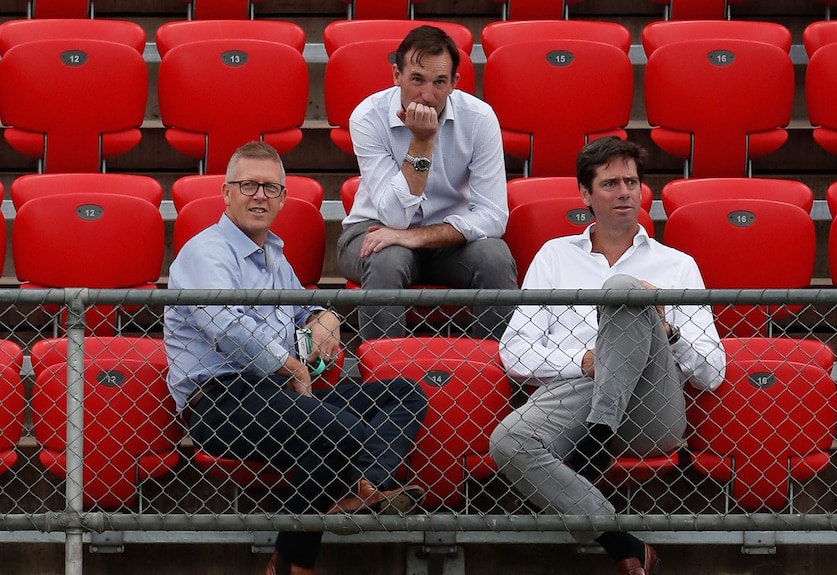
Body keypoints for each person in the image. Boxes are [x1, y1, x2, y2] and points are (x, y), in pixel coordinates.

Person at [164, 142, 429, 575]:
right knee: (339, 433)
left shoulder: (275, 257)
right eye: (248, 185)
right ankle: (295, 559)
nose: (259, 196)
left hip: (281, 397)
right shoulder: (205, 253)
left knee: (403, 395)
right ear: (226, 193)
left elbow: (301, 308)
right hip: (221, 401)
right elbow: (225, 327)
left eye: (270, 187)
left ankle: (360, 489)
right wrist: (290, 365)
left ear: (284, 198)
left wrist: (323, 315)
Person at [490, 136, 726, 575]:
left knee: (626, 292)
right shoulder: (555, 257)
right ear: (585, 194)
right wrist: (586, 363)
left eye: (632, 182)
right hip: (576, 394)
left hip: (649, 409)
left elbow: (711, 372)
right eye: (611, 183)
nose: (624, 192)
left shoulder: (676, 265)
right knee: (508, 442)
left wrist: (665, 327)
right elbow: (515, 352)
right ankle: (620, 540)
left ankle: (600, 435)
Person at [337, 25, 517, 341]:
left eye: (439, 82)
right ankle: (386, 387)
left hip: (451, 239)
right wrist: (422, 141)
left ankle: (496, 378)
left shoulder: (479, 118)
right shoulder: (367, 116)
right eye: (417, 79)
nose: (427, 95)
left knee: (495, 257)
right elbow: (393, 217)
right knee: (386, 259)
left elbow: (493, 216)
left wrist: (418, 238)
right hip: (372, 229)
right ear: (397, 74)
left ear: (455, 83)